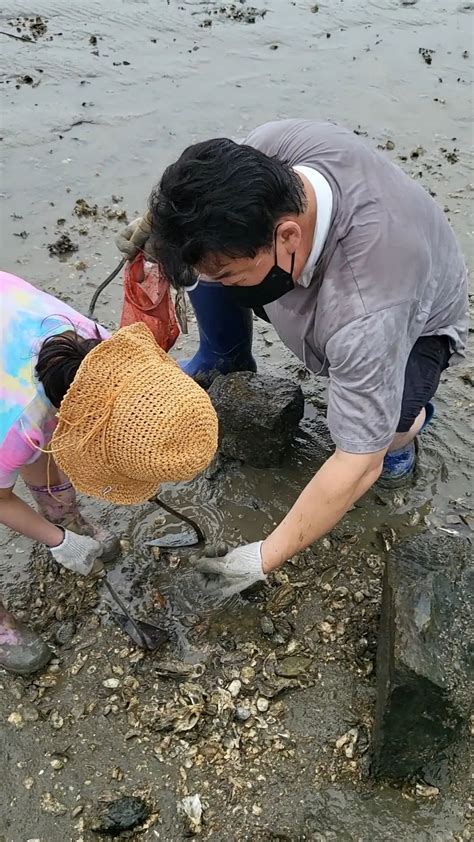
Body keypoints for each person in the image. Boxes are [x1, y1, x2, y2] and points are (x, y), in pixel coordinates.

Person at [115, 118, 469, 597]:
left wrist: (262, 556)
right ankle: (225, 357)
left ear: (286, 235)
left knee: (383, 434)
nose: (217, 281)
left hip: (414, 320)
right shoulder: (273, 148)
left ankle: (408, 431)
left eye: (230, 273)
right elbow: (197, 194)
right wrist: (156, 227)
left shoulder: (366, 310)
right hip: (309, 274)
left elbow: (356, 462)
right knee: (206, 265)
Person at [0, 271, 218, 674]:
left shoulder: (101, 348)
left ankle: (65, 515)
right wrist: (58, 542)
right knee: (28, 443)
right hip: (11, 400)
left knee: (41, 439)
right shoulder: (14, 427)